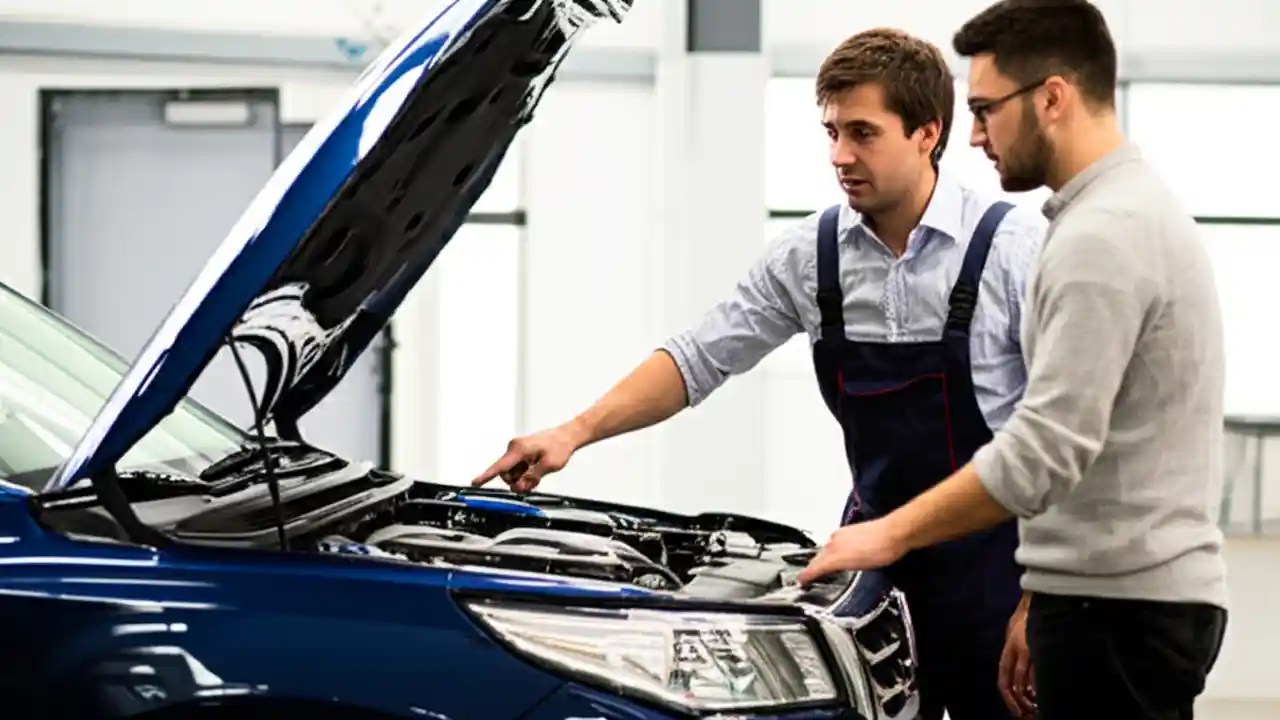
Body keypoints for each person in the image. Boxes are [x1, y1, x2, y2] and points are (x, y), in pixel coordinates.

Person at [472, 27, 1048, 720]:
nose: (840, 155)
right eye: (831, 131)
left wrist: (1040, 603)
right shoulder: (812, 257)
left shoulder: (1016, 251)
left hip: (1004, 574)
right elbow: (699, 357)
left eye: (863, 133)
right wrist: (575, 432)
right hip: (876, 575)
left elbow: (1072, 439)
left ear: (927, 133)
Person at [795, 2, 1231, 719]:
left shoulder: (1103, 235)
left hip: (1117, 610)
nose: (973, 135)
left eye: (986, 109)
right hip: (1116, 599)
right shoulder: (1116, 214)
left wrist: (886, 532)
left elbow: (1045, 448)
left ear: (1052, 97)